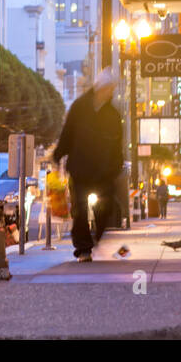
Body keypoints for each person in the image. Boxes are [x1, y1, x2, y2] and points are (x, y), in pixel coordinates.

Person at [51, 71, 123, 262]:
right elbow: (68, 132)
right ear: (100, 88)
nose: (110, 93)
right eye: (108, 89)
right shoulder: (79, 107)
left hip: (104, 171)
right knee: (80, 209)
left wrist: (117, 166)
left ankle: (96, 236)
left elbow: (118, 144)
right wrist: (59, 153)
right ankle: (83, 248)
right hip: (81, 168)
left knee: (106, 208)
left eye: (112, 89)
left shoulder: (113, 114)